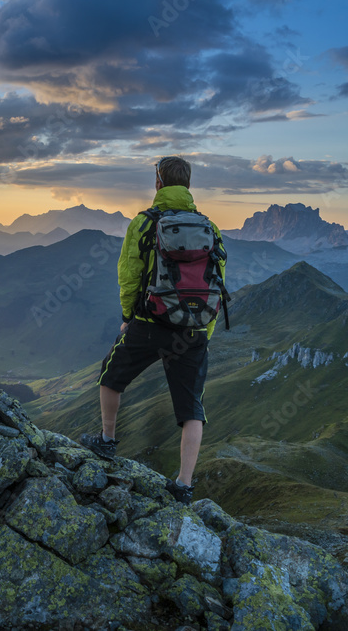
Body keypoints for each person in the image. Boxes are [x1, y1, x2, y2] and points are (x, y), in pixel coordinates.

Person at [80, 156, 226, 504]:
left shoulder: (144, 223)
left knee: (111, 376)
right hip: (193, 330)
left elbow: (128, 275)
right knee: (191, 408)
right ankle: (184, 485)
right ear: (188, 185)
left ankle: (107, 441)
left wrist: (129, 314)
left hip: (149, 323)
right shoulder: (210, 227)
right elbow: (218, 282)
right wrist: (205, 330)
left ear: (158, 182)